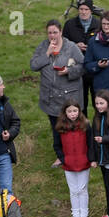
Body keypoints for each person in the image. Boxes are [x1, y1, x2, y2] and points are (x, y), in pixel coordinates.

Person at [31, 20, 86, 166]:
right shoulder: (43, 46)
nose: (52, 35)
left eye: (55, 32)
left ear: (61, 32)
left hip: (69, 98)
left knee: (73, 128)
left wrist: (69, 71)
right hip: (50, 97)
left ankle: (77, 154)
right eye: (49, 32)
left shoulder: (71, 47)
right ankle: (61, 156)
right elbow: (34, 65)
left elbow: (83, 66)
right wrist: (47, 54)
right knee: (57, 129)